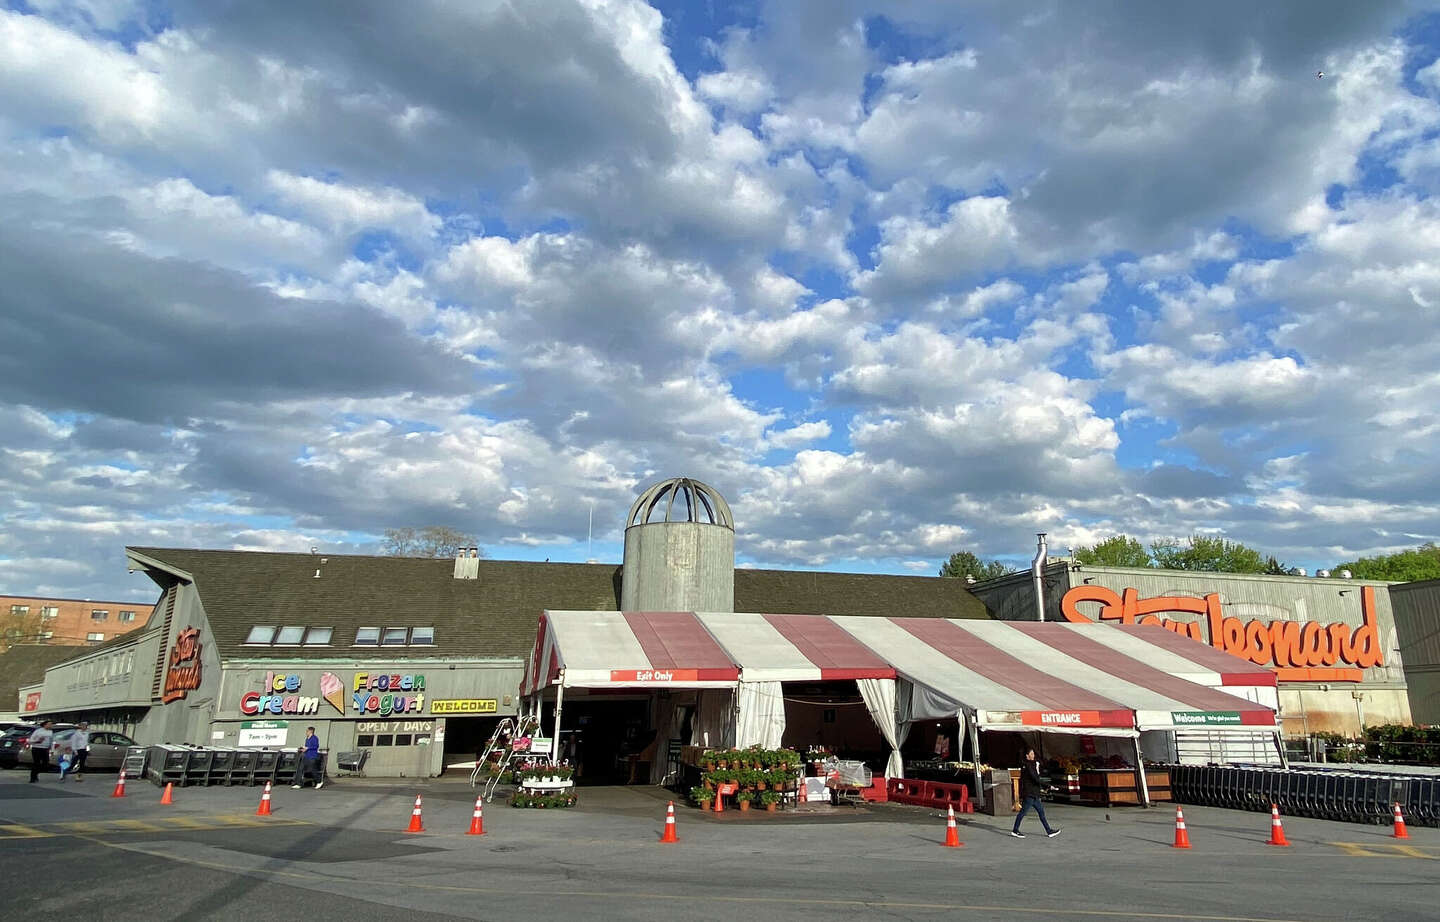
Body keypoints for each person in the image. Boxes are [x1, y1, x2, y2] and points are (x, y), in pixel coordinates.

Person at [1012, 747, 1060, 838]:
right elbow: (1035, 778)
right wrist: (1049, 786)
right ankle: (1015, 830)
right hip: (1029, 794)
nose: (1033, 755)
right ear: (1027, 756)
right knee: (1022, 813)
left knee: (1041, 813)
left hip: (1035, 795)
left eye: (1033, 754)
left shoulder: (1032, 764)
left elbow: (1036, 777)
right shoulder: (1027, 766)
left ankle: (1049, 831)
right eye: (1031, 754)